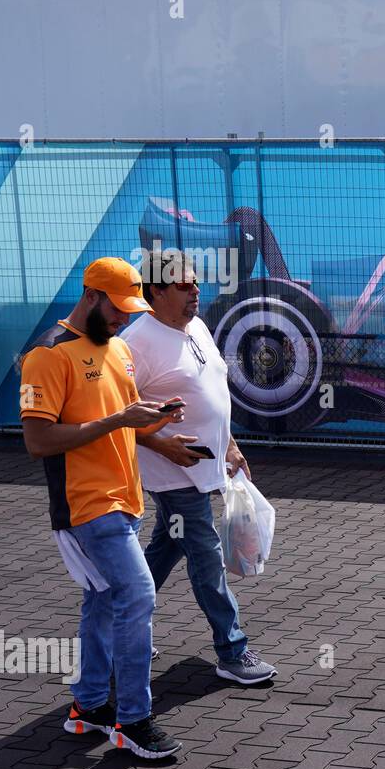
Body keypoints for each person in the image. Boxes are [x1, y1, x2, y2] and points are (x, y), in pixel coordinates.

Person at [19, 257, 185, 759]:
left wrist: (164, 430)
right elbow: (38, 440)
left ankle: (89, 706)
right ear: (91, 295)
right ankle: (132, 720)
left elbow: (127, 421)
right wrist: (119, 420)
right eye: (118, 308)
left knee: (103, 600)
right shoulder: (47, 355)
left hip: (124, 501)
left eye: (131, 310)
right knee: (137, 598)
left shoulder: (117, 349)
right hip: (86, 508)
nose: (124, 318)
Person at [123, 249, 278, 685]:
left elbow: (213, 391)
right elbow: (115, 417)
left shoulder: (197, 325)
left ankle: (122, 630)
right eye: (184, 285)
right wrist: (162, 444)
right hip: (172, 472)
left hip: (206, 465)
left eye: (195, 282)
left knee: (166, 547)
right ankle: (232, 651)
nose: (196, 290)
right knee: (206, 557)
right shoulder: (136, 343)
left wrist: (229, 444)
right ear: (155, 291)